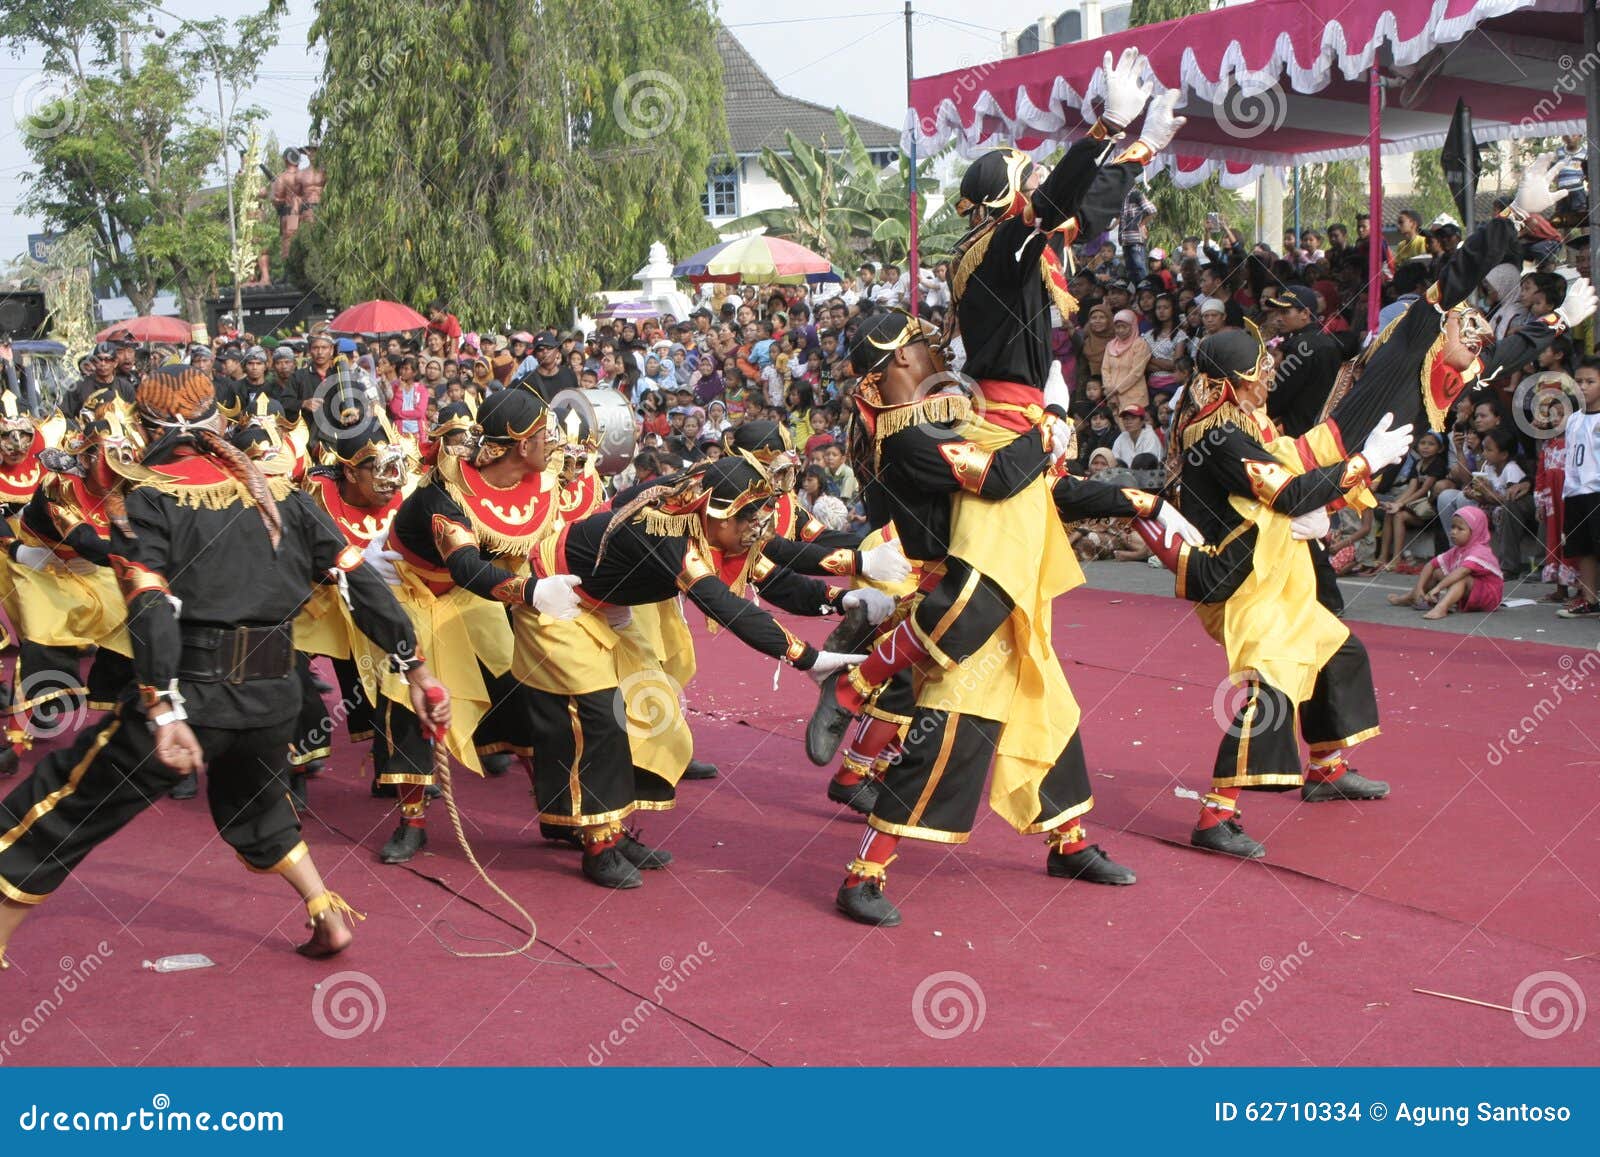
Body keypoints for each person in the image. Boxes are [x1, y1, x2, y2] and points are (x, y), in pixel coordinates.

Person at [0, 366, 449, 967]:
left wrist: (161, 707)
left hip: (195, 694)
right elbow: (359, 581)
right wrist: (416, 670)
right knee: (256, 803)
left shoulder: (150, 495)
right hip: (275, 695)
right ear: (218, 419)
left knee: (69, 797)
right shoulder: (281, 492)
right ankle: (325, 910)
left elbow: (151, 605)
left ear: (147, 425)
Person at [510, 454, 872, 889]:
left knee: (654, 714)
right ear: (715, 513)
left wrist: (838, 601)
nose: (755, 529)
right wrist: (806, 658)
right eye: (747, 519)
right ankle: (597, 842)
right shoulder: (668, 533)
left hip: (607, 610)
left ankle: (607, 823)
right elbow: (725, 605)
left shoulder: (712, 528)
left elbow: (773, 579)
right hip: (557, 601)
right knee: (600, 717)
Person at [1152, 328, 1409, 861]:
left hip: (1273, 574)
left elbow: (1291, 472)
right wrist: (1366, 463)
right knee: (1269, 690)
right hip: (1243, 582)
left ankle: (1325, 768)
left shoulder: (1244, 426)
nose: (1271, 373)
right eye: (1262, 367)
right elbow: (1289, 492)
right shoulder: (1218, 436)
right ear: (1234, 382)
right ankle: (1215, 814)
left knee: (1337, 653)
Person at [363, 388, 580, 863]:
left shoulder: (539, 485)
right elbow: (464, 564)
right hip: (412, 594)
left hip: (470, 599)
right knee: (409, 706)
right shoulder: (446, 493)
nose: (554, 444)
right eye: (546, 436)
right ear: (522, 445)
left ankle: (561, 814)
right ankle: (412, 823)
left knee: (519, 695)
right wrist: (531, 594)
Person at [1387, 508, 1503, 618]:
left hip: (1489, 597)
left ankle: (1442, 607)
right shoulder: (1458, 549)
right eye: (1453, 527)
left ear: (1475, 532)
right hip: (1472, 590)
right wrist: (1419, 587)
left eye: (1460, 529)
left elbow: (1462, 572)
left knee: (1461, 578)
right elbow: (1431, 565)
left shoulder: (1480, 551)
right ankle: (1412, 595)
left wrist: (1437, 589)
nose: (1453, 532)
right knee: (1437, 572)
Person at [1557, 355, 1600, 617]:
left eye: (1590, 381)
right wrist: (1567, 489)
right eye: (1579, 381)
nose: (1583, 386)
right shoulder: (1573, 419)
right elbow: (1571, 457)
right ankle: (1590, 599)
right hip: (1576, 491)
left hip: (1597, 490)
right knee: (1583, 548)